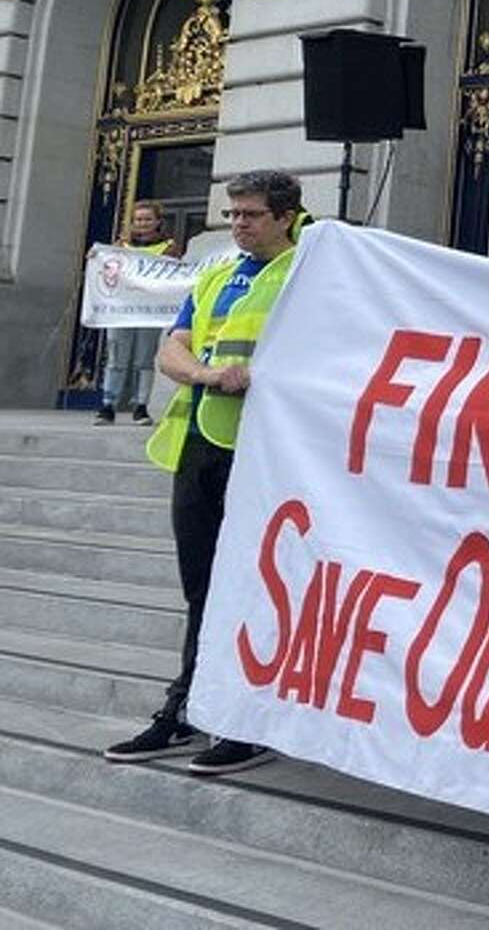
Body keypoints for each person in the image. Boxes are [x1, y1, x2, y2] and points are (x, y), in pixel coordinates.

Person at [102, 170, 308, 776]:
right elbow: (172, 348)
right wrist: (206, 375)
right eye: (233, 212)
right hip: (199, 444)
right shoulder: (215, 270)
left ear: (286, 216)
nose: (237, 223)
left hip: (267, 456)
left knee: (254, 588)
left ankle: (248, 718)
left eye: (250, 214)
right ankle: (188, 706)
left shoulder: (305, 275)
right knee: (202, 590)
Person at [96, 199, 181, 426]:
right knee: (116, 358)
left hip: (149, 311)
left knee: (144, 360)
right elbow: (106, 272)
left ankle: (140, 406)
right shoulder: (119, 247)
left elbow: (175, 277)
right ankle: (108, 406)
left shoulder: (169, 248)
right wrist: (96, 260)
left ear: (157, 222)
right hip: (121, 311)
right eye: (138, 219)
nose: (142, 224)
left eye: (147, 219)